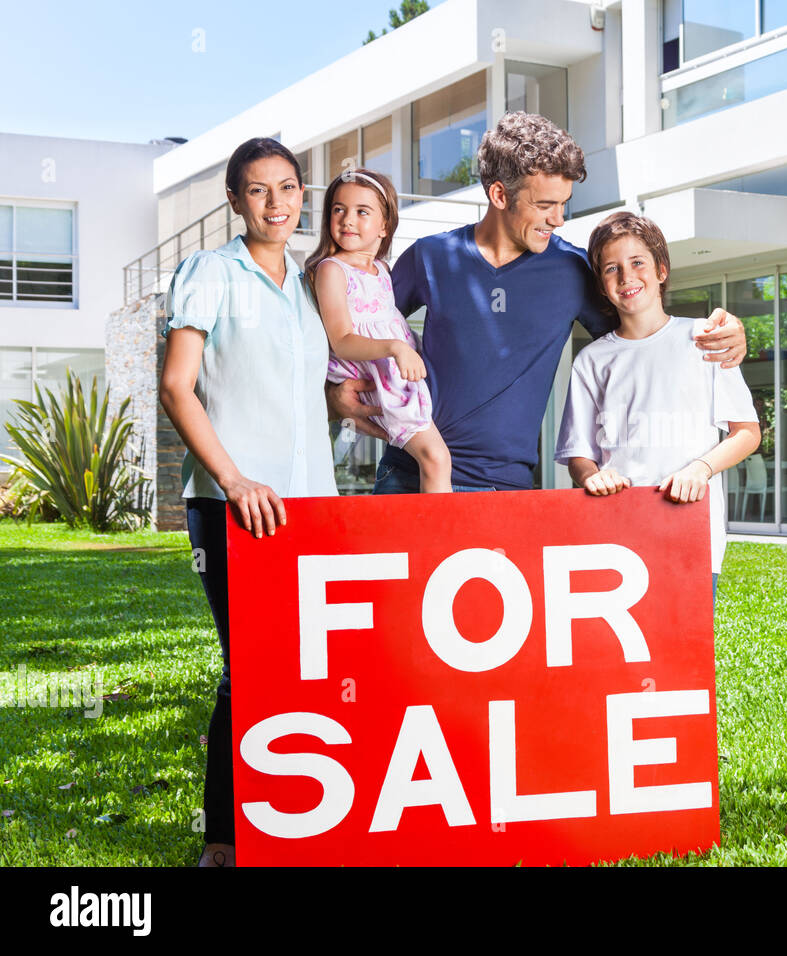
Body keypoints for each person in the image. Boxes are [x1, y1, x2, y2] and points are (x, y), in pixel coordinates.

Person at [326, 112, 747, 494]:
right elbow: (347, 329)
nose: (559, 219)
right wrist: (332, 394)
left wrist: (727, 332)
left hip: (503, 490)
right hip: (409, 475)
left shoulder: (572, 270)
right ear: (499, 194)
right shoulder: (431, 257)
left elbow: (643, 340)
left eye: (564, 204)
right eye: (545, 205)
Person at [159, 137, 337, 868]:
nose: (277, 204)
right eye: (259, 191)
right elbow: (178, 386)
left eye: (289, 189)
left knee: (308, 669)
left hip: (312, 508)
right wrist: (234, 480)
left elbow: (307, 392)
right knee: (253, 670)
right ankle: (225, 843)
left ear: (303, 196)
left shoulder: (306, 285)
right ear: (234, 200)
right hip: (234, 505)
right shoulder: (210, 272)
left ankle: (303, 822)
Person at [555, 212, 761, 601]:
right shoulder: (592, 361)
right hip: (614, 530)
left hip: (691, 528)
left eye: (637, 263)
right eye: (612, 269)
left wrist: (701, 468)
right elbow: (579, 455)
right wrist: (589, 477)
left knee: (686, 651)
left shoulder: (704, 339)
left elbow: (747, 433)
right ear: (602, 284)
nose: (627, 277)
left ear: (661, 270)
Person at [306, 168, 451, 492]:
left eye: (362, 212)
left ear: (385, 225)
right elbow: (341, 340)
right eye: (338, 210)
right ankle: (442, 541)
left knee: (431, 456)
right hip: (376, 374)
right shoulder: (333, 269)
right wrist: (396, 349)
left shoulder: (382, 270)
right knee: (436, 458)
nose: (347, 219)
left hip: (394, 373)